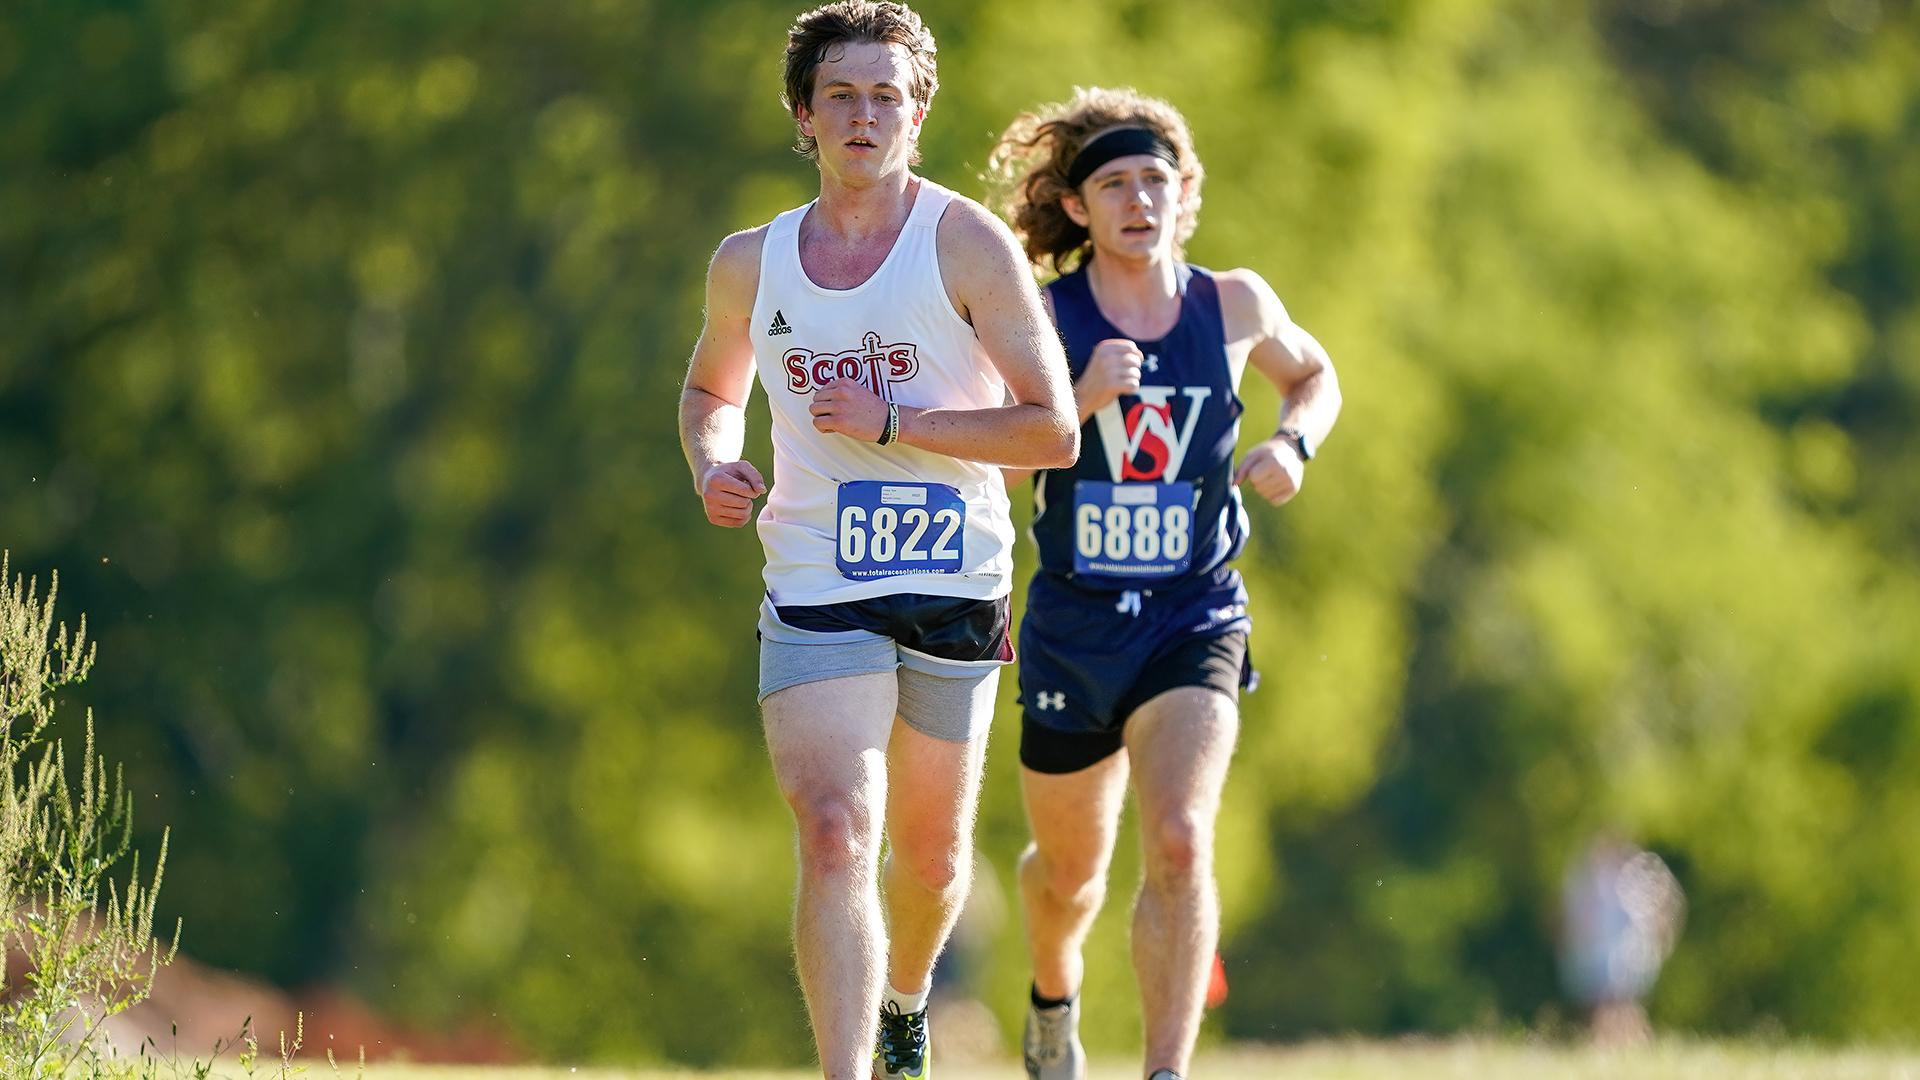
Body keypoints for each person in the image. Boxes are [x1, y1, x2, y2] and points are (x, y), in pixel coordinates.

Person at [677, 5, 1078, 1080]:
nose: (865, 117)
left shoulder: (967, 245)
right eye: (842, 96)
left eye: (886, 97)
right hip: (816, 574)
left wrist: (898, 422)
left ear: (918, 113)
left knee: (933, 863)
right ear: (804, 115)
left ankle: (907, 1001)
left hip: (953, 574)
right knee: (834, 829)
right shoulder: (750, 263)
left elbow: (1052, 429)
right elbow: (712, 392)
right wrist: (714, 464)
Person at [989, 88, 1342, 1080]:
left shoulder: (1234, 305)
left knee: (1181, 840)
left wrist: (1294, 444)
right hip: (1075, 624)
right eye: (1114, 184)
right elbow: (990, 471)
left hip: (1194, 612)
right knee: (1071, 875)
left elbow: (1314, 376)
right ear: (1076, 206)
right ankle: (1052, 996)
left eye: (1155, 180)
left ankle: (1165, 1071)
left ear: (1184, 193)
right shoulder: (1045, 317)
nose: (1139, 200)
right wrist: (1080, 400)